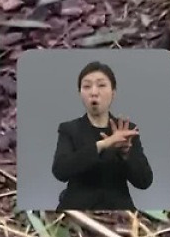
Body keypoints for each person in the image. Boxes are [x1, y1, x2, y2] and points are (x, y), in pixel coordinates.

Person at [51, 61, 154, 210]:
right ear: (80, 93)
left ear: (113, 93)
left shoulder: (126, 130)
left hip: (120, 213)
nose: (94, 92)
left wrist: (126, 154)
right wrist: (102, 145)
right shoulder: (69, 129)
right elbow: (60, 171)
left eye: (101, 85)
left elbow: (144, 181)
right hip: (76, 211)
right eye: (87, 86)